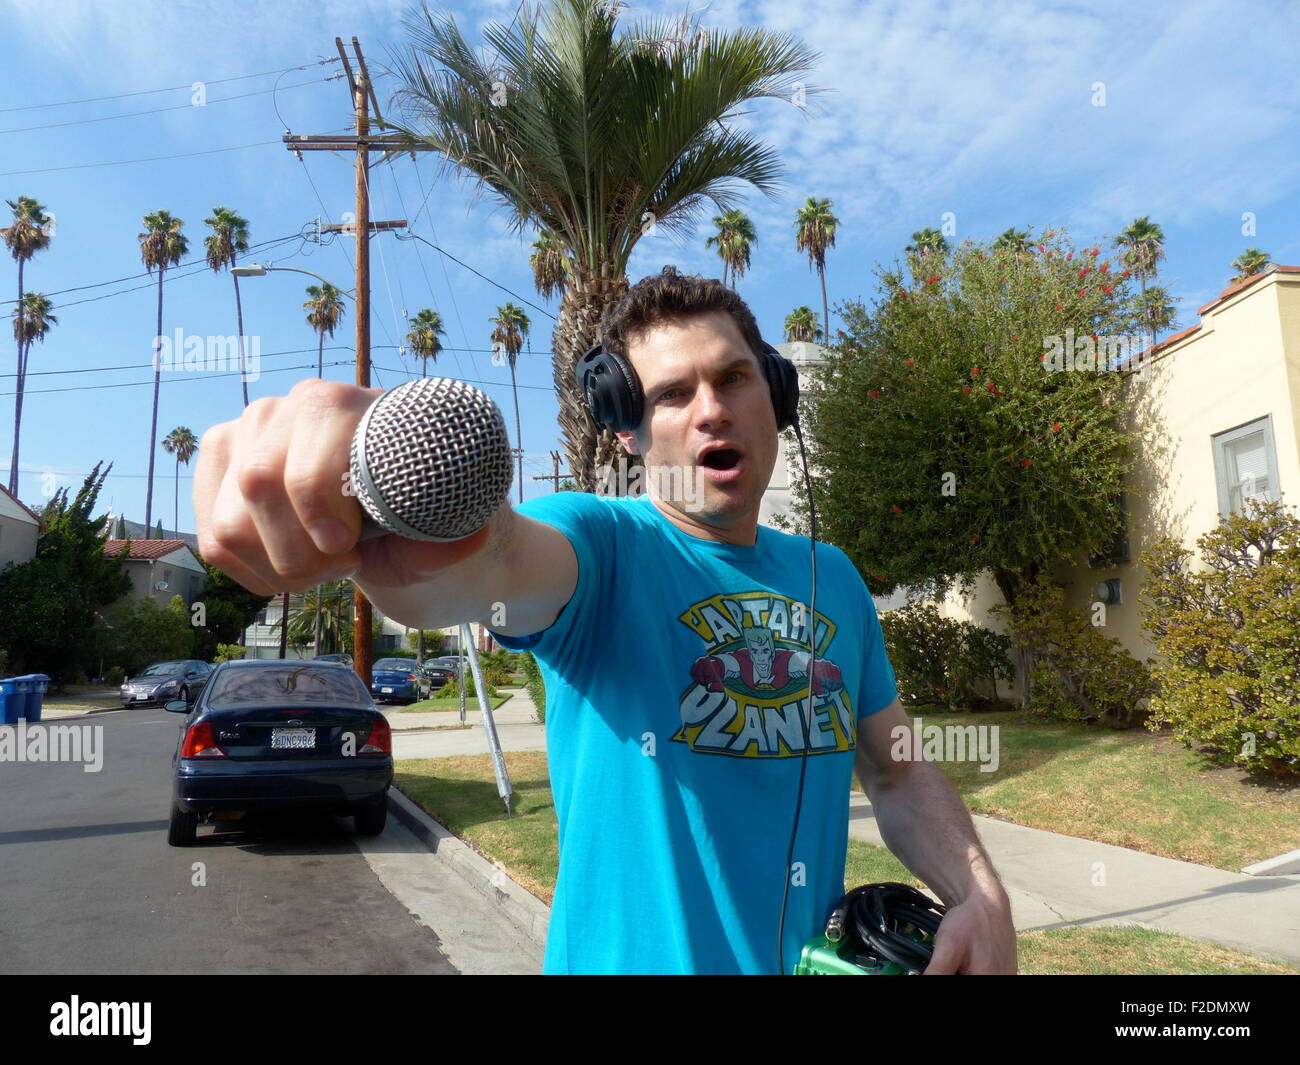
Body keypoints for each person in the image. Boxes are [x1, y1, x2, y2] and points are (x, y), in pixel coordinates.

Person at [192, 265, 1017, 976]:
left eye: (732, 378)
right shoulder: (604, 544)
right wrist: (392, 499)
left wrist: (978, 889)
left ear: (777, 394)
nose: (710, 410)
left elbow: (901, 769)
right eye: (671, 394)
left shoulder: (830, 576)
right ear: (627, 430)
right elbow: (499, 563)